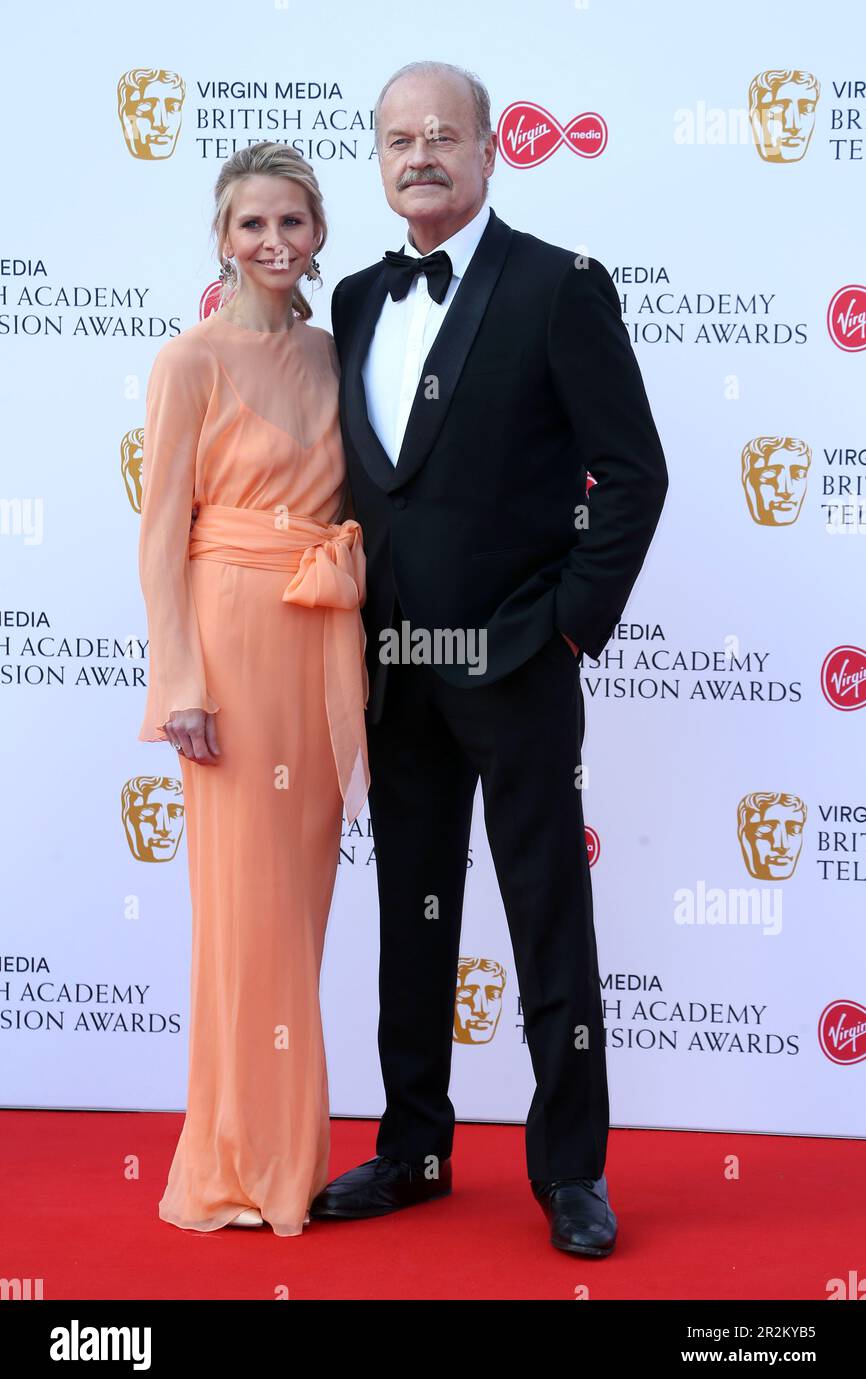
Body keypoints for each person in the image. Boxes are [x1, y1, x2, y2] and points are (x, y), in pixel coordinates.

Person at [311, 61, 668, 1257]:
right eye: (399, 138)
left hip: (515, 659)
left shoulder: (558, 287)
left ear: (487, 151)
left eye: (443, 136)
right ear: (380, 158)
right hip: (393, 665)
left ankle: (570, 1169)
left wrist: (568, 621)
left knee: (545, 916)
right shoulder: (355, 296)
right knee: (408, 914)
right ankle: (410, 1148)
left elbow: (632, 472)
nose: (420, 154)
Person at [137, 141, 369, 1236]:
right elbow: (158, 537)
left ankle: (286, 1150)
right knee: (242, 911)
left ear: (317, 233)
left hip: (320, 637)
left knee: (299, 904)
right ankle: (237, 1161)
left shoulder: (335, 352)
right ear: (220, 238)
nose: (272, 243)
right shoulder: (189, 361)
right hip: (230, 644)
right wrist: (179, 679)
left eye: (291, 223)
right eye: (250, 226)